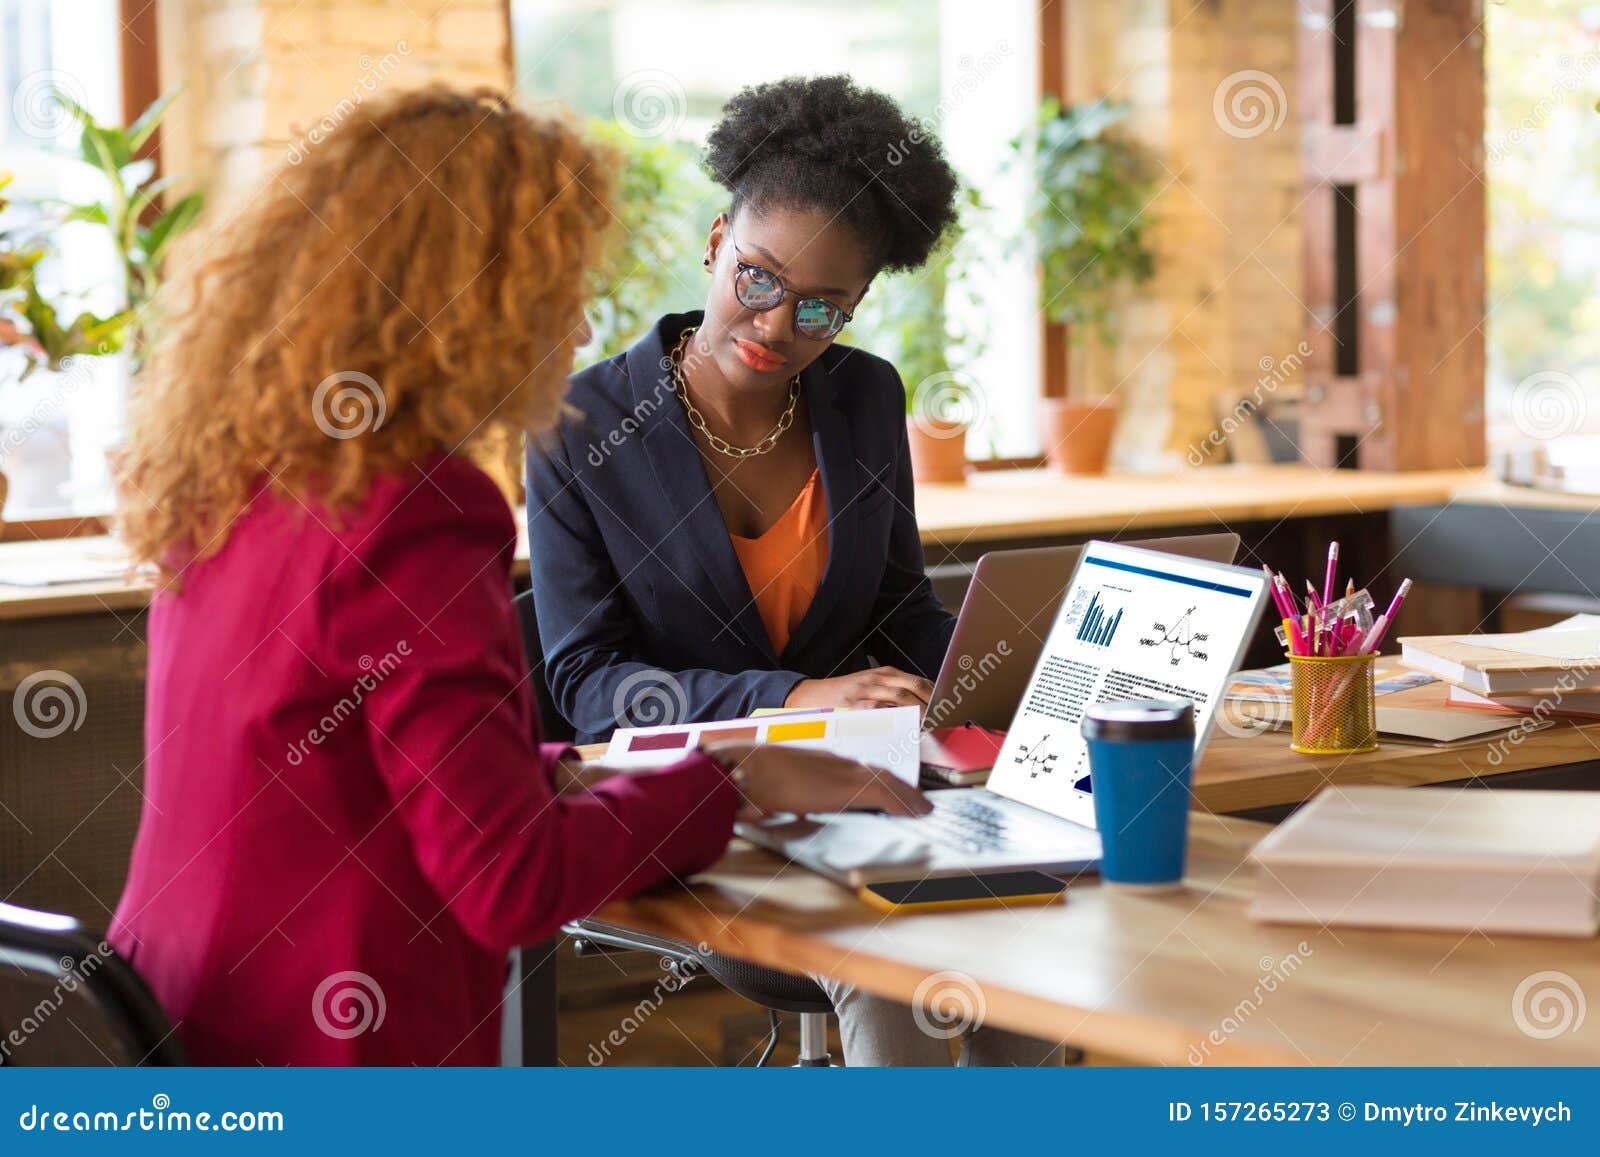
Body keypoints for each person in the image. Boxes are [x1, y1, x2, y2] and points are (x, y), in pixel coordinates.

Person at [106, 86, 926, 1067]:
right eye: (555, 292)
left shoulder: (237, 474)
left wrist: (596, 770)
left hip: (169, 1024)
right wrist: (731, 775)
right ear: (474, 302)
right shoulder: (421, 512)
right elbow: (510, 876)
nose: (577, 331)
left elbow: (377, 780)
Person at [527, 75, 1059, 1066]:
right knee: (885, 952)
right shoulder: (580, 425)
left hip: (860, 797)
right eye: (758, 279)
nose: (776, 328)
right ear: (716, 242)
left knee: (1026, 914)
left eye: (820, 307)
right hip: (690, 805)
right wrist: (797, 698)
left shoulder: (862, 396)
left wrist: (1005, 660)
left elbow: (898, 607)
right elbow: (589, 685)